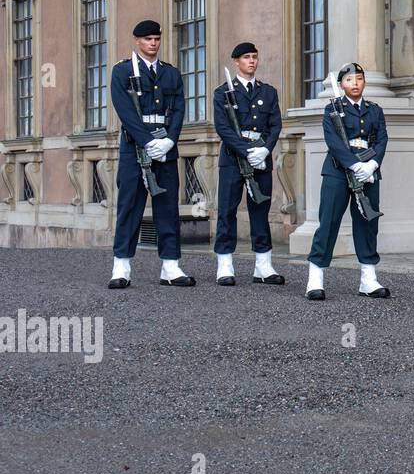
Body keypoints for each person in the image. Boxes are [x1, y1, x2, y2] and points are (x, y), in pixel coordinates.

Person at [107, 20, 195, 289]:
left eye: (156, 38)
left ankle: (171, 265)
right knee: (130, 206)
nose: (153, 43)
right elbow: (125, 112)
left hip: (165, 146)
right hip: (135, 146)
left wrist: (169, 140)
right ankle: (121, 265)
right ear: (137, 41)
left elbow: (178, 109)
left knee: (167, 207)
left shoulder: (170, 74)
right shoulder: (122, 72)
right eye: (148, 39)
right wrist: (147, 141)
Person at [305, 63, 390, 300]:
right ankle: (315, 277)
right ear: (342, 84)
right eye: (350, 80)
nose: (355, 83)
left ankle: (368, 279)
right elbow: (334, 143)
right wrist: (354, 165)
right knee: (329, 221)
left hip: (368, 171)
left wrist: (371, 165)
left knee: (367, 223)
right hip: (337, 172)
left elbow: (381, 139)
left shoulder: (375, 110)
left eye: (359, 79)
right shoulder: (332, 109)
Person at [211, 42, 284, 286]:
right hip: (233, 159)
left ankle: (263, 266)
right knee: (227, 211)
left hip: (260, 158)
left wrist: (264, 149)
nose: (251, 61)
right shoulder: (223, 93)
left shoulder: (268, 92)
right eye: (246, 58)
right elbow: (223, 128)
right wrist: (245, 151)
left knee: (260, 210)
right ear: (236, 62)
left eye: (254, 57)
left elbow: (275, 125)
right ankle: (225, 264)